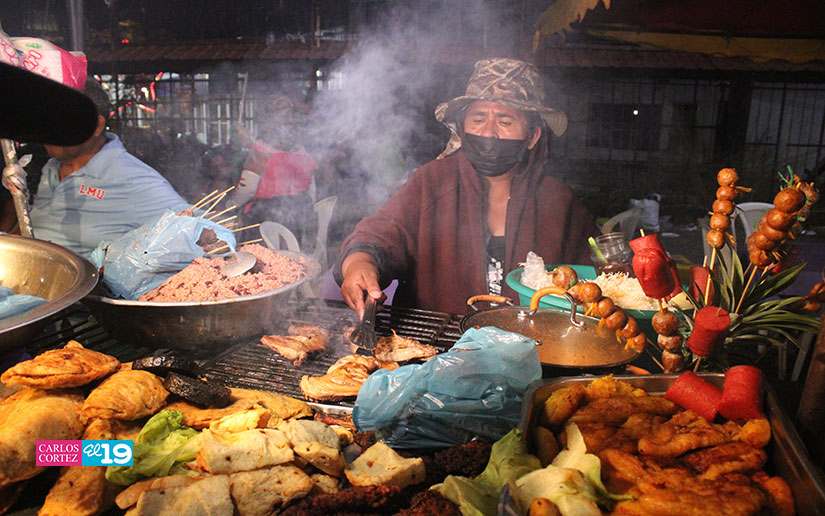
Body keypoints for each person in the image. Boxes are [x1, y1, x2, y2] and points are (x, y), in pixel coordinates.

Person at [336, 58, 601, 316]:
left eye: (505, 121)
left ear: (532, 136)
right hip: (438, 352)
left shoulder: (558, 201)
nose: (489, 132)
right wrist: (360, 262)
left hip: (531, 353)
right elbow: (380, 233)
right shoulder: (432, 181)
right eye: (478, 119)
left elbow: (598, 279)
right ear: (462, 129)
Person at [29, 77, 187, 256]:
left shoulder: (132, 179)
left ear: (96, 126)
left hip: (90, 282)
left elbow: (197, 226)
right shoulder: (50, 168)